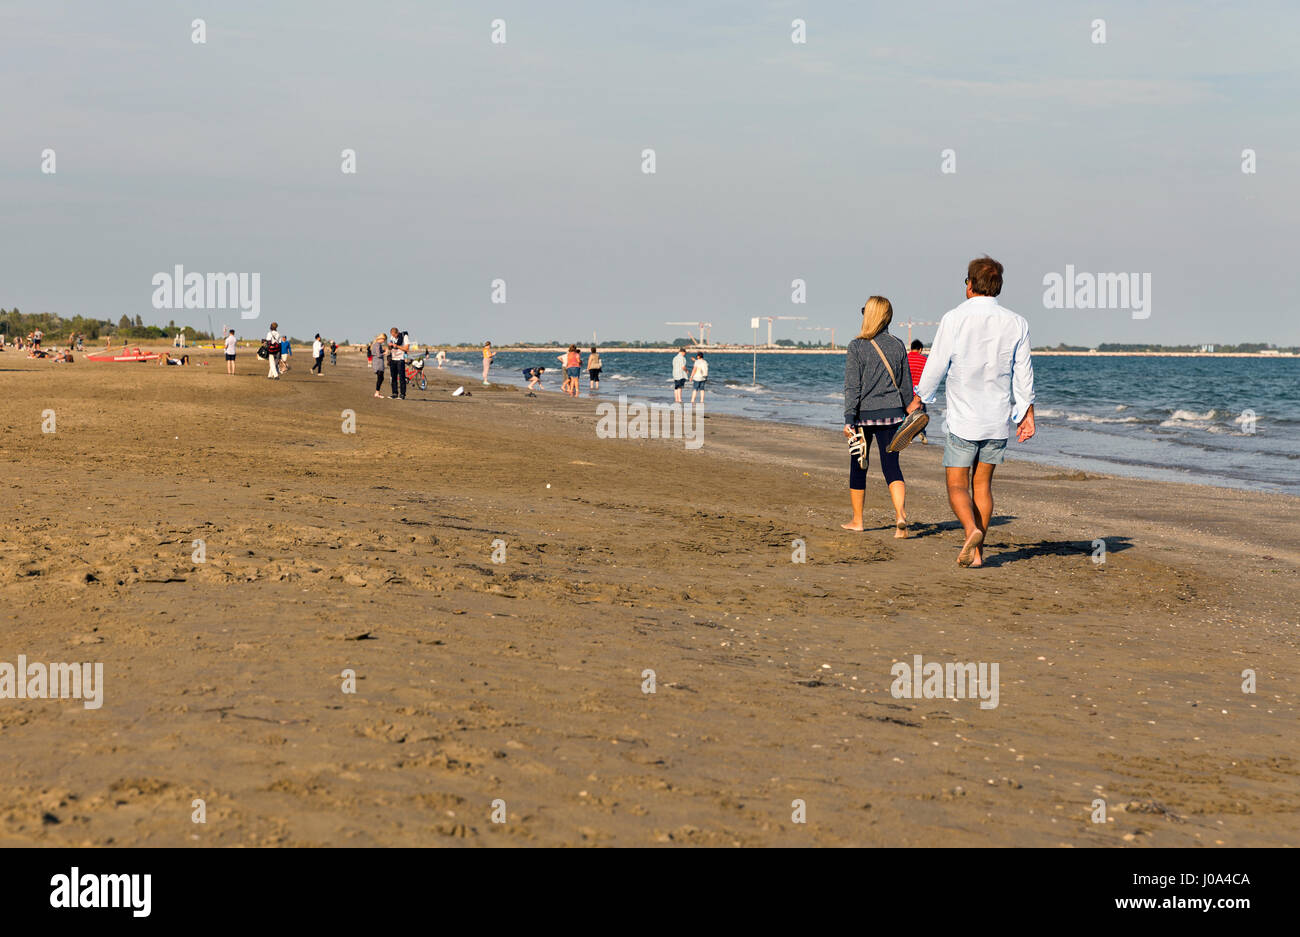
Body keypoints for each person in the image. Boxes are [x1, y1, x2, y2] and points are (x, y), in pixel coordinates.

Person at [913, 256, 1036, 568]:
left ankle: (971, 531)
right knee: (982, 486)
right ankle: (978, 553)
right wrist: (1026, 413)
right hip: (996, 421)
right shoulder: (1016, 322)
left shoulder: (955, 318)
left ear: (969, 285)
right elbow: (1024, 374)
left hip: (962, 421)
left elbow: (937, 363)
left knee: (957, 485)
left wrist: (920, 398)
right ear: (998, 286)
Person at [841, 297, 917, 538]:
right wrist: (911, 413)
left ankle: (858, 521)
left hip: (864, 417)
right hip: (893, 416)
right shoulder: (897, 345)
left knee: (858, 465)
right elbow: (906, 386)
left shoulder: (856, 346)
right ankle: (900, 518)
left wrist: (849, 419)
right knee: (892, 466)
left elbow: (852, 387)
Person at [907, 339, 929, 444]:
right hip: (920, 392)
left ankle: (908, 436)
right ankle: (922, 431)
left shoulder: (905, 359)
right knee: (922, 414)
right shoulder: (924, 360)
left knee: (907, 414)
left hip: (906, 391)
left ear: (911, 348)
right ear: (920, 349)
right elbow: (928, 377)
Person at [388, 327, 409, 399]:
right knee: (393, 377)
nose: (393, 337)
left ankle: (402, 394)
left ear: (397, 333)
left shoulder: (404, 337)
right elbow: (390, 348)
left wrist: (397, 346)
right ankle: (394, 393)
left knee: (401, 377)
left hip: (401, 359)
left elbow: (406, 348)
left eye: (394, 335)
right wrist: (390, 346)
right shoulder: (392, 337)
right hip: (393, 359)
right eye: (392, 335)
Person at [370, 333, 388, 398]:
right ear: (382, 339)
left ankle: (377, 392)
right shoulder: (377, 344)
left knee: (380, 378)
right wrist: (384, 353)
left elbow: (377, 352)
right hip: (378, 363)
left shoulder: (376, 344)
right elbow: (378, 355)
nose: (384, 341)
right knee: (380, 378)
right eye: (384, 340)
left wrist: (383, 350)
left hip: (376, 362)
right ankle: (377, 392)